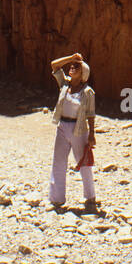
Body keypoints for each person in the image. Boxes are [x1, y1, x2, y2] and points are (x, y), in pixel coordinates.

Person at [48, 50, 100, 214]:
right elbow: (54, 65)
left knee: (84, 163)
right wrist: (71, 57)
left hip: (79, 130)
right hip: (62, 126)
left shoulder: (87, 92)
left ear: (83, 74)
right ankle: (57, 199)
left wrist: (92, 135)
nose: (72, 67)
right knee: (58, 161)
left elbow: (90, 114)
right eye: (72, 66)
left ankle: (90, 198)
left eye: (76, 67)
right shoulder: (65, 85)